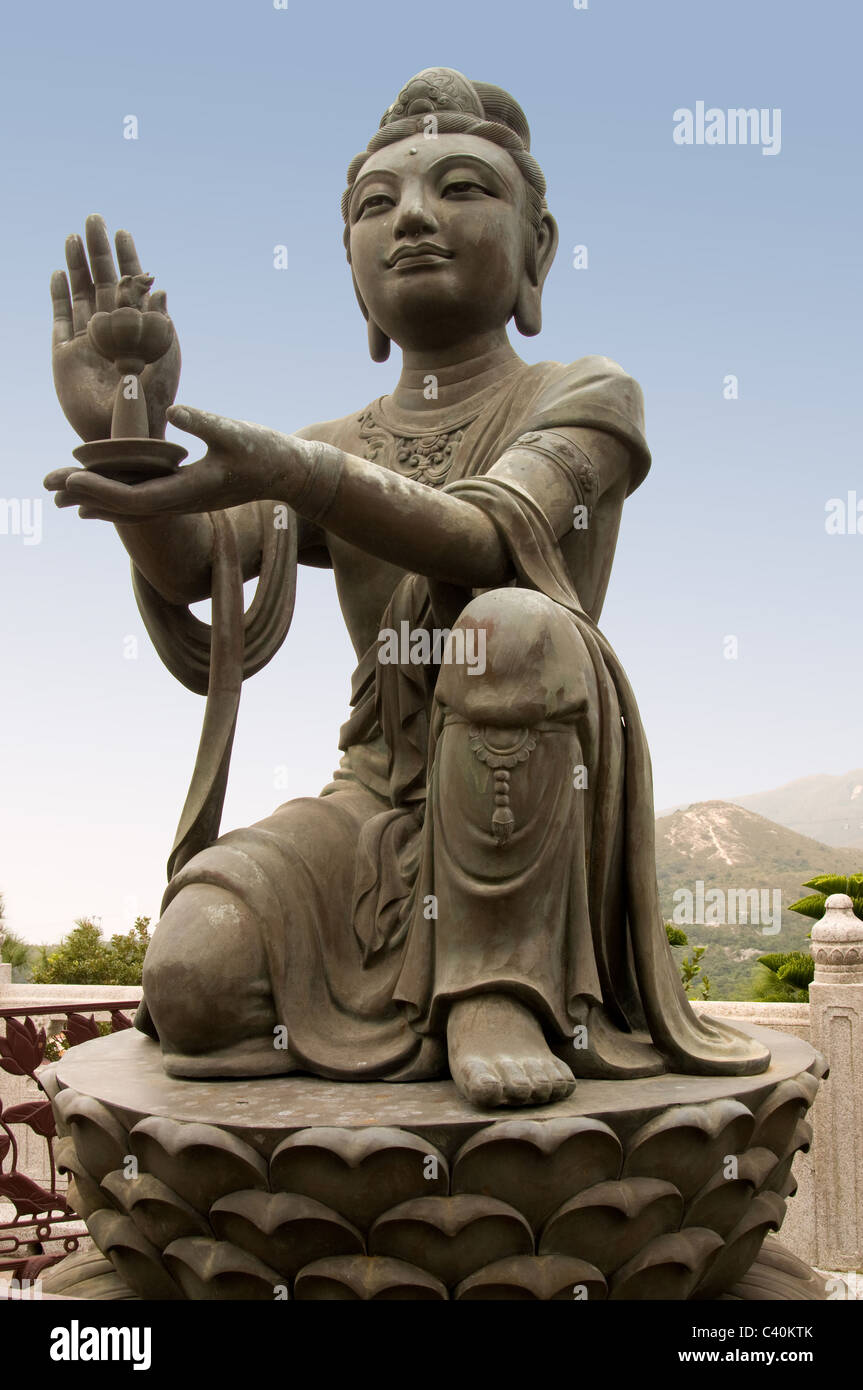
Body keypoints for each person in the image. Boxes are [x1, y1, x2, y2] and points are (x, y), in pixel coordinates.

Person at [45, 68, 769, 1108]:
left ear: (537, 250)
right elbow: (196, 564)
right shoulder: (332, 443)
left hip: (532, 779)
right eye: (375, 205)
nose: (414, 219)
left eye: (462, 188)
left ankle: (498, 985)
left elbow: (489, 536)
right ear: (350, 270)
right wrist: (123, 435)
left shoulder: (583, 393)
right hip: (374, 795)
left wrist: (302, 478)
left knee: (505, 625)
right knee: (193, 972)